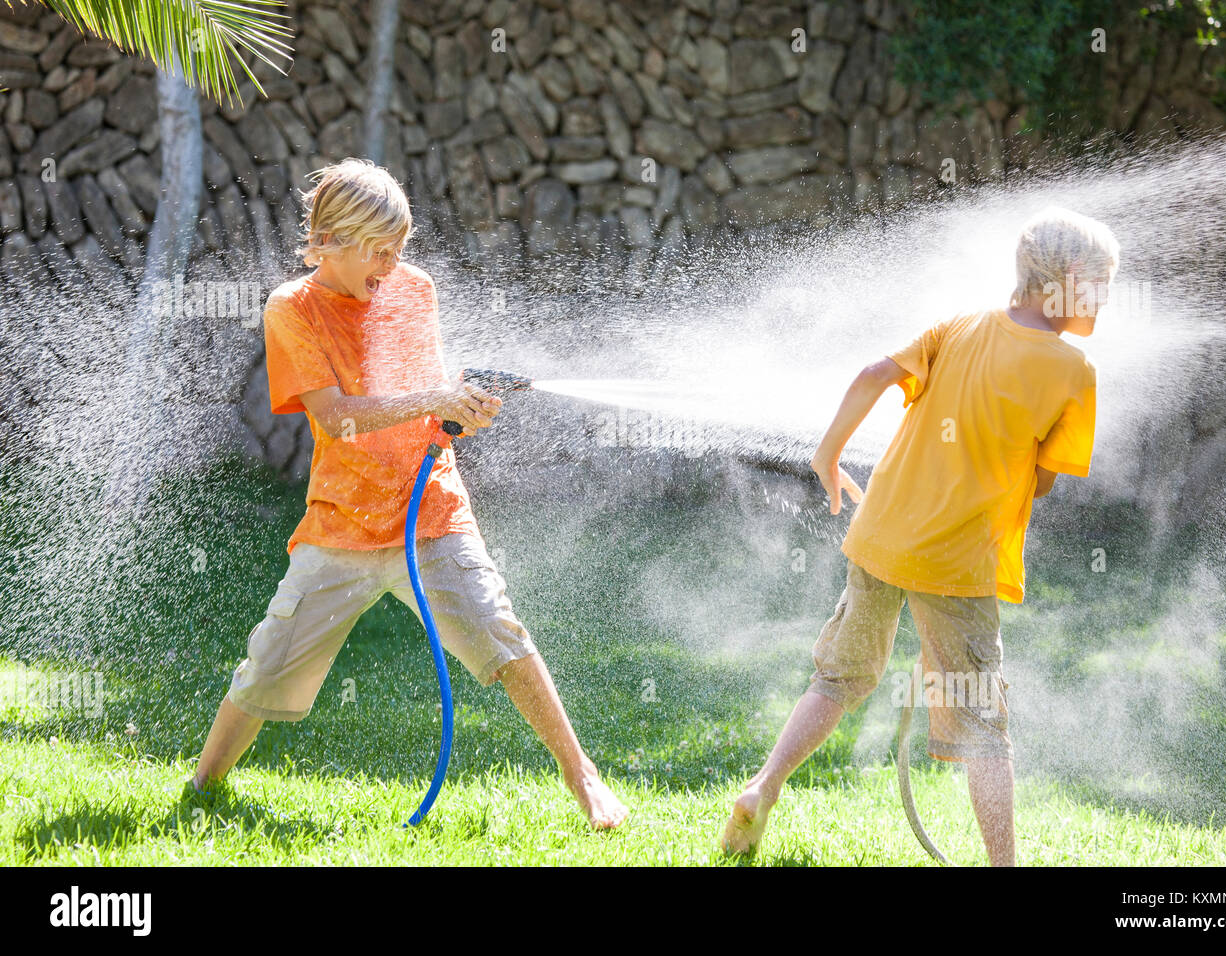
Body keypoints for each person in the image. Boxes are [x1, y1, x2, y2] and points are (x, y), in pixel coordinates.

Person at [188, 158, 628, 830]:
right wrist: (438, 397)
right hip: (341, 526)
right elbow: (337, 416)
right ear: (331, 241)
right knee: (269, 662)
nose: (392, 266)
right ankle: (203, 783)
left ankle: (584, 777)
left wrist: (461, 412)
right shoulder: (293, 309)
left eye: (399, 251)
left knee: (499, 632)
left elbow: (426, 399)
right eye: (380, 252)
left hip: (431, 512)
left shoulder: (413, 291)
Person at [721, 207, 1119, 864]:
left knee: (837, 680)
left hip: (878, 539)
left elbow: (874, 376)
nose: (1106, 298)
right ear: (1071, 278)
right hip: (958, 568)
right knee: (984, 727)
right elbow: (1043, 484)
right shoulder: (1074, 374)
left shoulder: (957, 328)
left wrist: (827, 456)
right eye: (1102, 283)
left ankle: (763, 787)